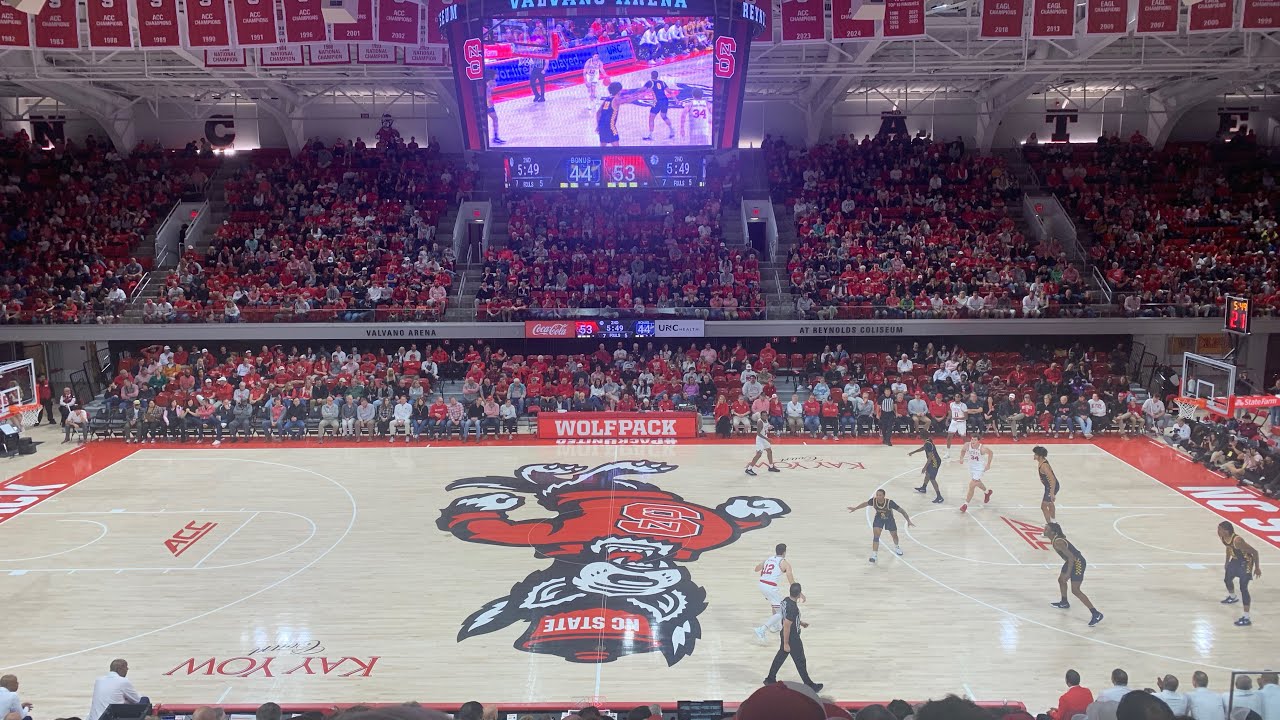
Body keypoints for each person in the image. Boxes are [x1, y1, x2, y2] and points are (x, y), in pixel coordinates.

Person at [763, 582, 822, 692]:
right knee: (800, 661)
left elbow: (787, 617)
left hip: (786, 635)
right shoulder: (793, 608)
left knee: (780, 658)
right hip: (792, 637)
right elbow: (787, 625)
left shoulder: (786, 600)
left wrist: (801, 622)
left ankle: (770, 679)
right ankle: (809, 685)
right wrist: (786, 643)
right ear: (799, 594)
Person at [1045, 522, 1104, 626]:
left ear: (1053, 532)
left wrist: (1068, 573)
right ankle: (1064, 602)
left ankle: (1096, 613)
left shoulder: (1058, 542)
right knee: (1061, 580)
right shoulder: (1055, 539)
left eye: (1046, 529)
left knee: (1075, 590)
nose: (1044, 530)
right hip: (1070, 561)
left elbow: (1071, 557)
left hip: (1077, 562)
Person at [848, 489, 914, 563]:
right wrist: (855, 508)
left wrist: (908, 520)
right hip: (879, 519)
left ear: (883, 496)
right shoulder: (873, 501)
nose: (878, 497)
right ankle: (874, 555)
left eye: (880, 495)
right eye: (877, 495)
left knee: (894, 535)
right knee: (876, 536)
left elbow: (902, 511)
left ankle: (897, 547)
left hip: (889, 519)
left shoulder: (889, 502)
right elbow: (865, 504)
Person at [1218, 520, 1262, 626]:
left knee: (1243, 588)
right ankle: (1233, 597)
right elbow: (1228, 549)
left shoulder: (1238, 541)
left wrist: (1257, 568)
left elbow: (1254, 552)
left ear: (1227, 531)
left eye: (1220, 529)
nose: (1218, 531)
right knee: (1227, 579)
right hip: (1235, 560)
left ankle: (1246, 618)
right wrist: (1227, 561)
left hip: (1246, 562)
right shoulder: (1223, 537)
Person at [753, 543, 799, 641]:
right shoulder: (784, 563)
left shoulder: (769, 559)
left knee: (775, 604)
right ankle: (762, 629)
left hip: (761, 584)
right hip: (770, 587)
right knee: (782, 611)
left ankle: (775, 626)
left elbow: (756, 568)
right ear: (784, 552)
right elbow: (790, 579)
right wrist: (797, 591)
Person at [957, 433, 994, 513]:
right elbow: (963, 451)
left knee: (972, 485)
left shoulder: (982, 448)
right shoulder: (967, 445)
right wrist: (961, 458)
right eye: (972, 439)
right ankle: (987, 492)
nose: (973, 441)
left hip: (979, 468)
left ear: (978, 441)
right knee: (977, 482)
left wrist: (988, 464)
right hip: (971, 467)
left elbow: (991, 453)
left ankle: (965, 504)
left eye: (975, 440)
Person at [910, 432, 944, 503]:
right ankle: (924, 488)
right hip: (933, 461)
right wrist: (913, 452)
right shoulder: (928, 442)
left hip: (935, 462)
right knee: (927, 474)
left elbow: (930, 457)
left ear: (922, 437)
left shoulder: (928, 444)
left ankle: (939, 497)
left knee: (932, 478)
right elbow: (922, 448)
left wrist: (925, 467)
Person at [641, 70, 674, 141]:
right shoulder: (662, 82)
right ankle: (672, 131)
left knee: (651, 118)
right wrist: (676, 99)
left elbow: (642, 89)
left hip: (657, 102)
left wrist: (634, 93)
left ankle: (650, 135)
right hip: (665, 101)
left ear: (651, 75)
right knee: (664, 116)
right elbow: (670, 92)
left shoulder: (650, 82)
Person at [1036, 445, 1061, 523]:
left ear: (1040, 456)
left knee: (1043, 506)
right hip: (1049, 486)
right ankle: (1053, 521)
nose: (1034, 455)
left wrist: (1052, 493)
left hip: (1051, 486)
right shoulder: (1041, 462)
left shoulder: (1044, 466)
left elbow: (1052, 480)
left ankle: (1050, 526)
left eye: (1035, 454)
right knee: (1050, 503)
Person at [597, 81, 623, 147]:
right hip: (610, 127)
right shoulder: (616, 100)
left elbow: (598, 113)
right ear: (619, 91)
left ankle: (600, 157)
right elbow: (627, 100)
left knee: (602, 148)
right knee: (617, 149)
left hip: (602, 126)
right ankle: (618, 157)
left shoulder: (607, 99)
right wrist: (637, 96)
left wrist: (598, 125)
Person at [945, 392, 968, 457]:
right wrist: (947, 419)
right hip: (954, 422)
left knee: (963, 438)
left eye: (958, 397)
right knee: (949, 437)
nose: (957, 398)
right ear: (954, 397)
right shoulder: (951, 404)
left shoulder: (963, 405)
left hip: (961, 422)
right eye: (956, 396)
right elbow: (950, 413)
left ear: (960, 398)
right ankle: (948, 453)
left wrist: (958, 418)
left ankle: (968, 451)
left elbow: (966, 417)